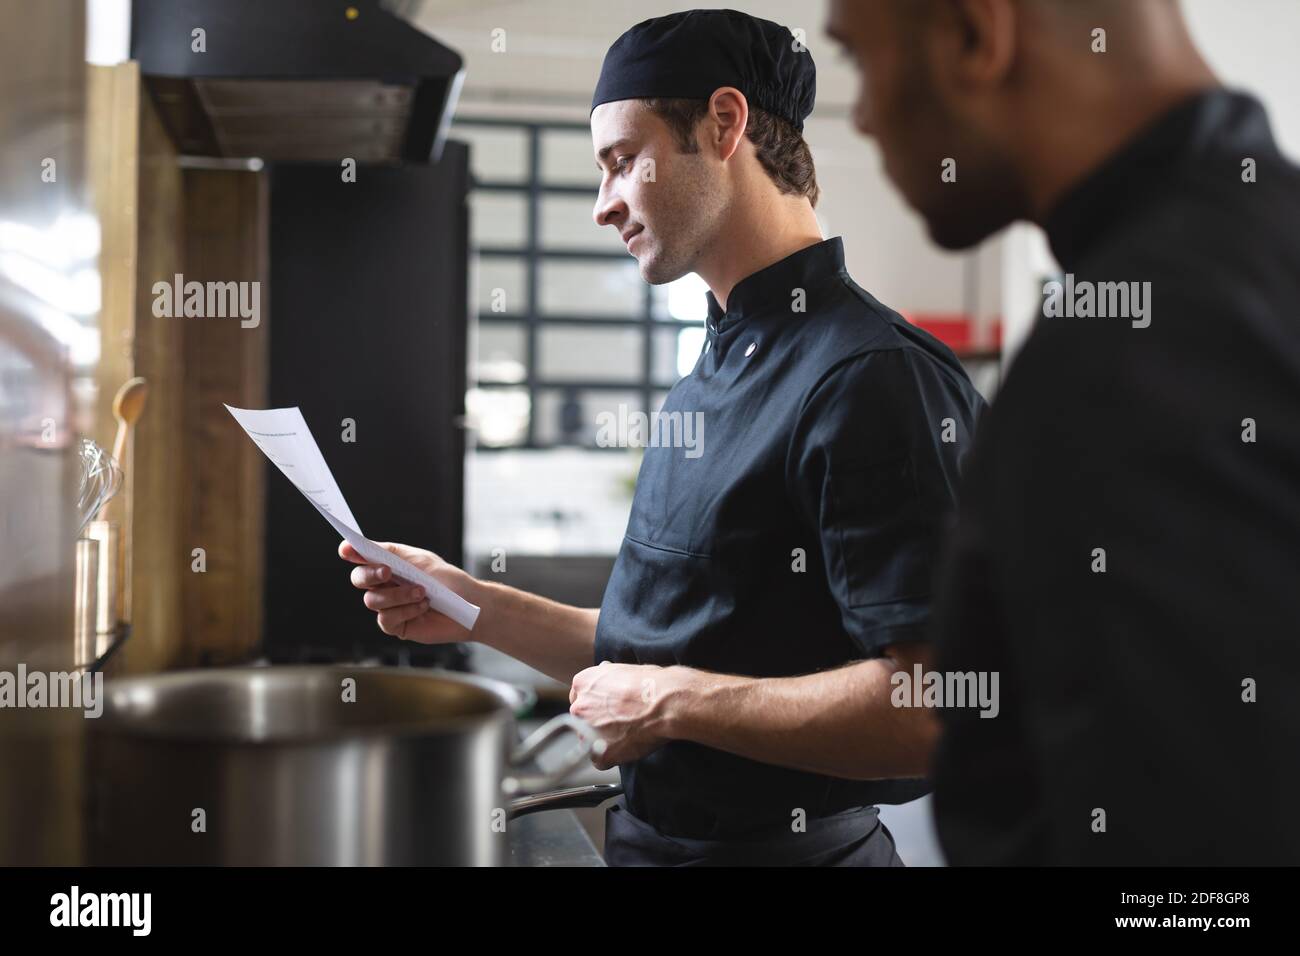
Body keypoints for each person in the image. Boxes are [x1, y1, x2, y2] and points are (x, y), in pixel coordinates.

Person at [342, 9, 984, 866]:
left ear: (725, 124)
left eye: (620, 161)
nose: (604, 204)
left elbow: (938, 708)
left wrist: (671, 704)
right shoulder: (710, 371)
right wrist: (469, 606)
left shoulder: (872, 377)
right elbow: (661, 649)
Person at [825, 0, 1300, 864]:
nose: (858, 115)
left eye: (859, 61)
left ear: (976, 34)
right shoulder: (1253, 254)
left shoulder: (1140, 349)